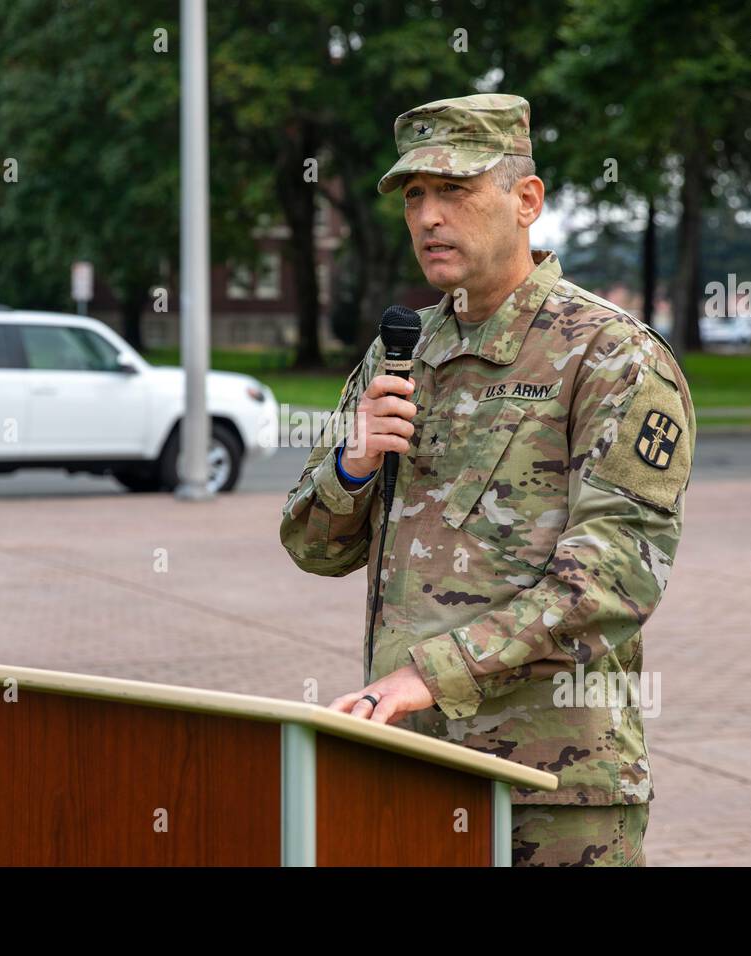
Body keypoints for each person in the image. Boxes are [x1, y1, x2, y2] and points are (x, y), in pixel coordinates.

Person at [279, 93, 695, 866]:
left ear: (526, 200)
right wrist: (354, 463)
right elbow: (312, 546)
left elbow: (612, 580)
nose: (429, 217)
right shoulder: (401, 350)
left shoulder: (610, 355)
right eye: (415, 196)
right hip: (414, 771)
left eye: (456, 190)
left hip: (551, 789)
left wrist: (424, 678)